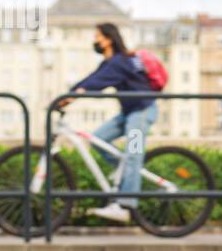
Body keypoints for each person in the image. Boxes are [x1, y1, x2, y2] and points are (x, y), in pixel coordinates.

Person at [65, 22, 159, 224]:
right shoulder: (111, 62)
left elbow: (98, 83)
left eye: (97, 36)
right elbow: (92, 78)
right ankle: (124, 172)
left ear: (108, 39)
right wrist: (69, 93)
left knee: (133, 154)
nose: (95, 41)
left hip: (141, 113)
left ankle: (125, 206)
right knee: (98, 139)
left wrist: (76, 94)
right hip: (127, 113)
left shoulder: (120, 62)